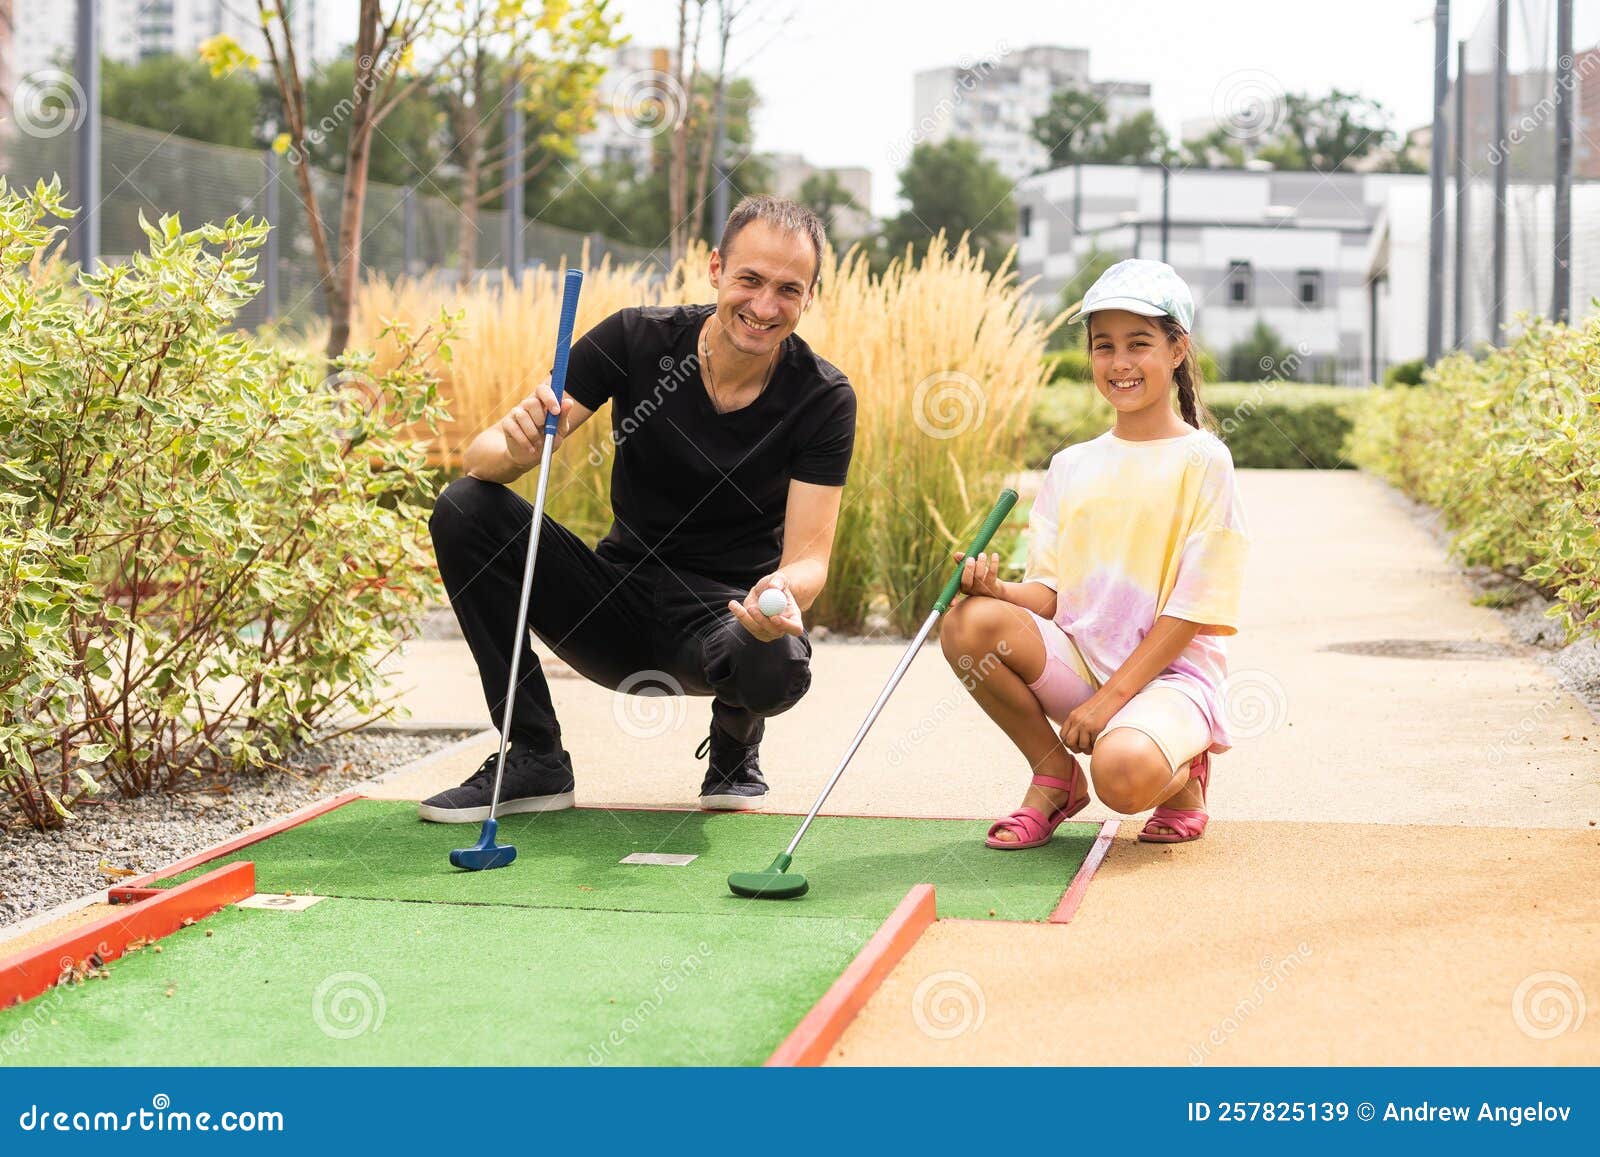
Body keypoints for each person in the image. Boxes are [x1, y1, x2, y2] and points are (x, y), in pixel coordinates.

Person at [421, 195, 855, 821]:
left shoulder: (823, 397)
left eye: (788, 289)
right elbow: (482, 456)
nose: (764, 306)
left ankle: (735, 748)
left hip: (724, 624)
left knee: (778, 658)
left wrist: (780, 595)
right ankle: (534, 755)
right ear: (714, 269)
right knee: (463, 508)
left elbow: (810, 559)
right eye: (750, 280)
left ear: (809, 297)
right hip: (612, 602)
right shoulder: (636, 337)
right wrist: (515, 449)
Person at [940, 258, 1248, 847]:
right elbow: (1051, 595)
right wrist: (996, 590)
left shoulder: (1206, 460)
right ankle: (1054, 776)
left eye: (1139, 344)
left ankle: (1183, 775)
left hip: (1171, 679)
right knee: (969, 622)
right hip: (1082, 665)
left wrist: (1110, 702)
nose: (1120, 363)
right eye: (1103, 346)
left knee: (1122, 777)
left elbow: (1194, 608)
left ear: (1177, 350)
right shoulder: (1070, 464)